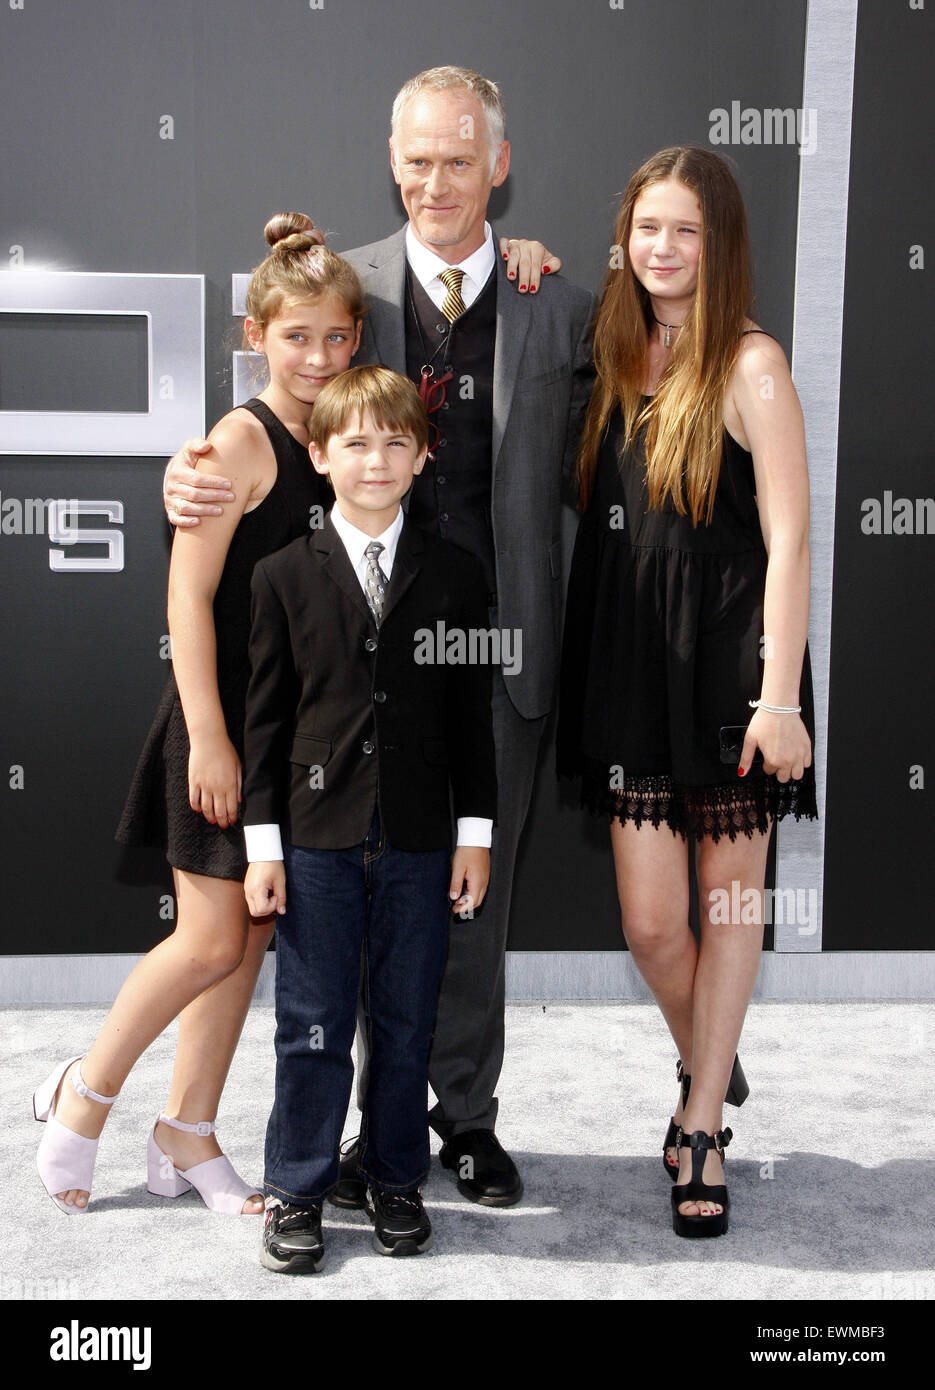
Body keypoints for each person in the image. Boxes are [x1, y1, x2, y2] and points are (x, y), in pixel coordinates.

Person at [163, 66, 595, 1207]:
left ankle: (459, 1120)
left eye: (460, 158)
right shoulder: (342, 291)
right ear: (389, 159)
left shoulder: (549, 295)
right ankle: (336, 1142)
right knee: (330, 911)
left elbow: (654, 389)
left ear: (496, 164)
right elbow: (265, 414)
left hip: (494, 659)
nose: (436, 180)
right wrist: (190, 469)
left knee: (465, 902)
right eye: (416, 158)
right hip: (346, 665)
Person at [33, 215, 364, 1216]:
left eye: (336, 337)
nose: (315, 355)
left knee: (248, 937)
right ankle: (79, 1098)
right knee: (211, 939)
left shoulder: (340, 440)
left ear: (357, 340)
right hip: (218, 729)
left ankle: (187, 1132)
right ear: (254, 333)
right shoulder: (235, 441)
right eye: (294, 335)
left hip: (291, 741)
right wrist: (210, 737)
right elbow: (185, 598)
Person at [557, 147, 817, 1238]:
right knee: (656, 926)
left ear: (719, 246)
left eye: (684, 232)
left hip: (728, 665)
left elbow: (792, 538)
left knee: (729, 908)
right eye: (644, 228)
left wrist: (779, 697)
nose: (659, 249)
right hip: (623, 660)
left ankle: (699, 1120)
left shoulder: (750, 364)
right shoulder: (611, 351)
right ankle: (711, 1051)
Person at [242, 365, 496, 1269]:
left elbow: (472, 718)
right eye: (353, 442)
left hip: (424, 839)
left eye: (396, 442)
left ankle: (394, 1178)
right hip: (312, 840)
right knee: (309, 1018)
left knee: (404, 1018)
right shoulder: (280, 576)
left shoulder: (458, 576)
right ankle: (297, 1190)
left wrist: (476, 835)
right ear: (317, 455)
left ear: (424, 457)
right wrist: (261, 846)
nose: (375, 459)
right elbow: (264, 723)